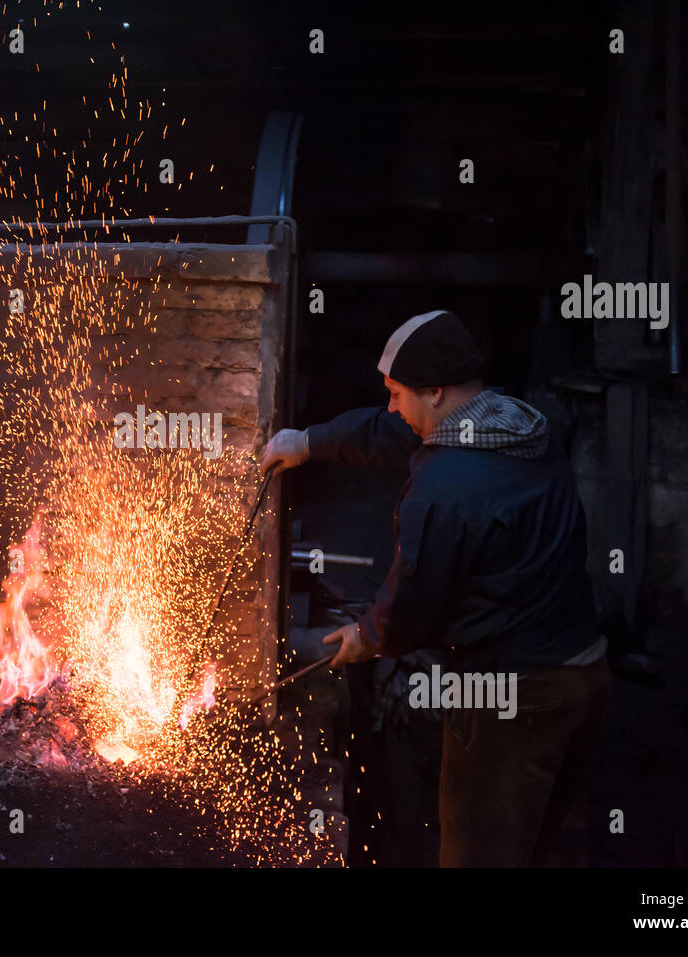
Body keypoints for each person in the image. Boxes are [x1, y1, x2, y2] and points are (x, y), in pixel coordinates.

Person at [261, 309, 610, 866]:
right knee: (541, 841)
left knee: (479, 851)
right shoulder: (512, 427)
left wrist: (367, 636)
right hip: (585, 670)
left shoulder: (445, 489)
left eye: (398, 394)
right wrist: (308, 442)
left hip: (513, 700)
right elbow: (389, 431)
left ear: (438, 392)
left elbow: (415, 603)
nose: (392, 406)